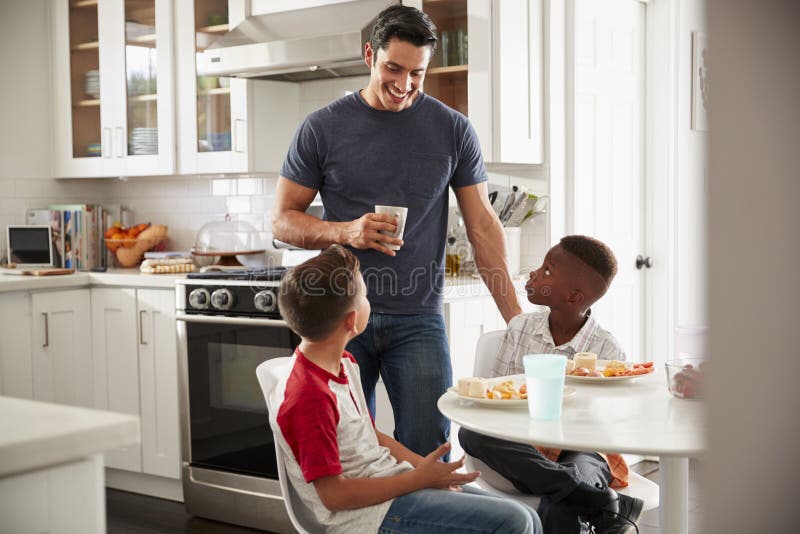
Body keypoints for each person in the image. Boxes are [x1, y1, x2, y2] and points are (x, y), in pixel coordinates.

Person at [272, 4, 521, 458]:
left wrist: (518, 322)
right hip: (340, 318)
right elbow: (283, 220)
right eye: (393, 68)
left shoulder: (452, 130)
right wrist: (346, 231)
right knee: (350, 451)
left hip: (418, 316)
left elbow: (483, 225)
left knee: (430, 447)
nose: (404, 85)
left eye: (417, 74)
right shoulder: (322, 128)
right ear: (370, 55)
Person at [272, 245, 541, 534]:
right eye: (364, 296)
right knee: (515, 522)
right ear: (351, 321)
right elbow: (334, 497)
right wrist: (418, 479)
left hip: (390, 486)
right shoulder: (308, 396)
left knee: (528, 516)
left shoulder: (343, 364)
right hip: (364, 516)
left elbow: (370, 436)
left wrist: (426, 468)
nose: (368, 300)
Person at [459, 235, 645, 534]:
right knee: (472, 433)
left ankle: (584, 494)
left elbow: (606, 428)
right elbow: (494, 402)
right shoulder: (521, 328)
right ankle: (603, 501)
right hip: (524, 445)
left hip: (580, 448)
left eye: (547, 270)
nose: (534, 273)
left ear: (573, 297)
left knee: (564, 497)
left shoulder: (607, 349)